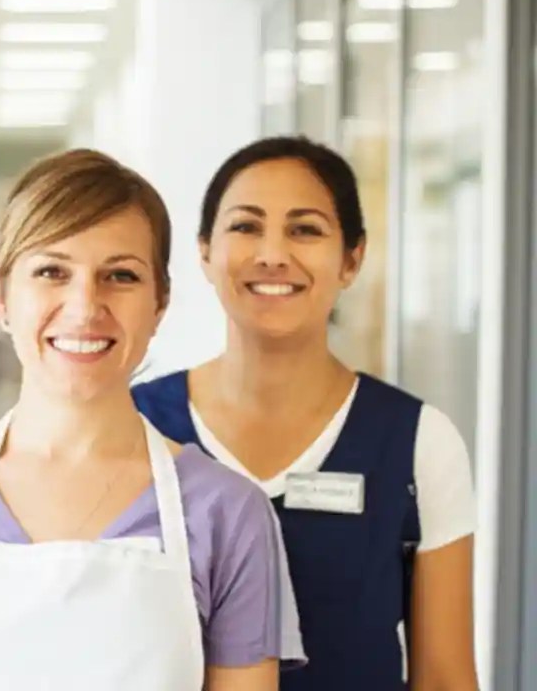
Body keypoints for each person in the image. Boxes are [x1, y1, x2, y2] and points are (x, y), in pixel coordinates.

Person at [0, 149, 305, 690]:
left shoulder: (228, 513)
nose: (84, 306)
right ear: (2, 297)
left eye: (120, 275)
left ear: (159, 305)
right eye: (51, 271)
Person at [133, 136, 479, 690]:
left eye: (305, 229)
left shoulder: (419, 442)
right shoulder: (134, 427)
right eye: (246, 226)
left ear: (352, 259)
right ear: (205, 252)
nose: (273, 254)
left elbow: (443, 677)